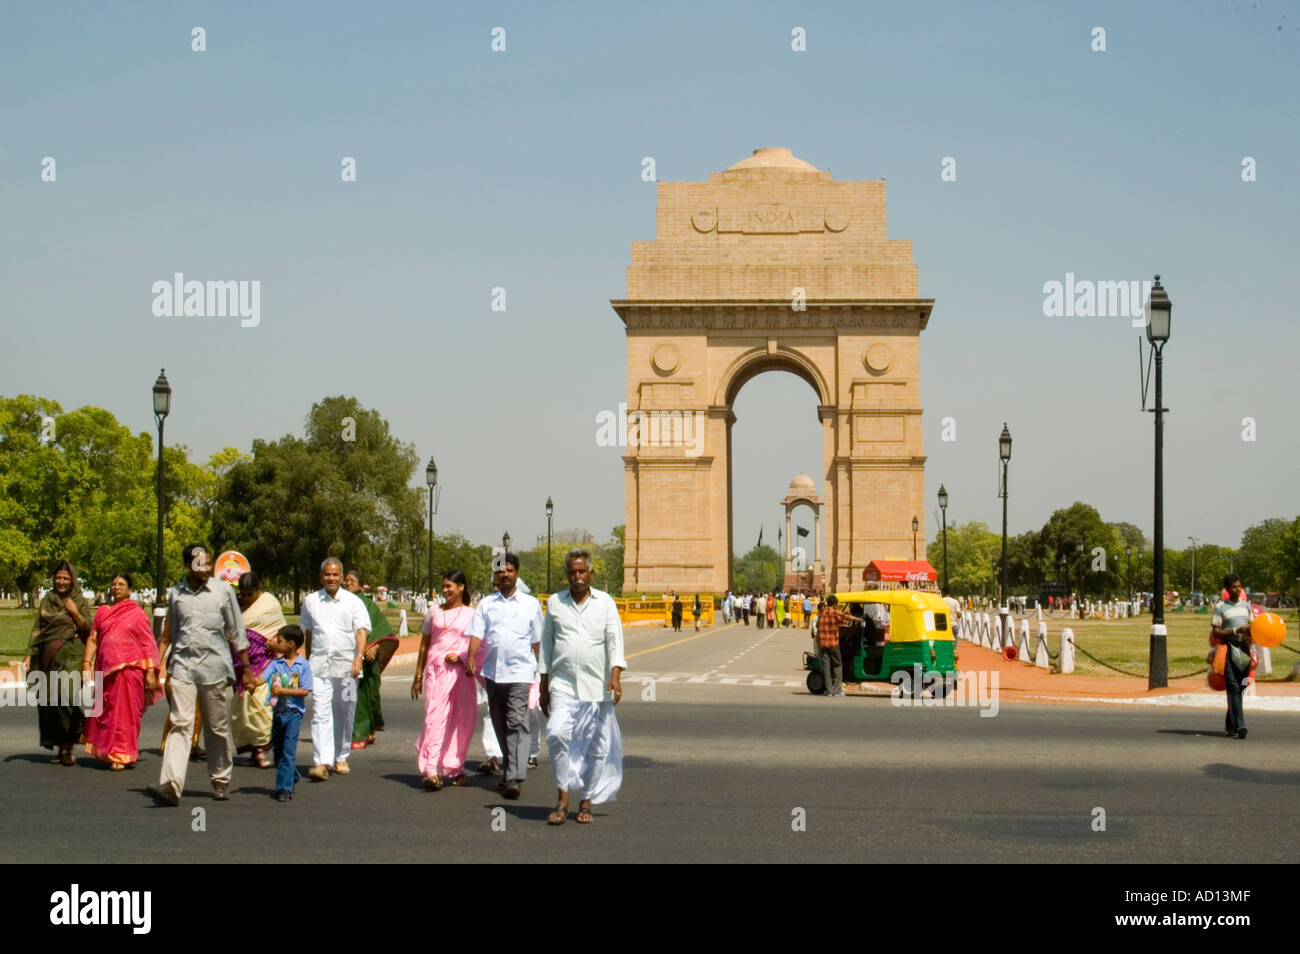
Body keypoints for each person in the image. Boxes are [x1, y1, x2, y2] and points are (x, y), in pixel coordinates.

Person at [150, 545, 257, 805]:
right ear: (188, 566)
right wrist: (160, 668)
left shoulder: (222, 592)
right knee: (180, 723)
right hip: (184, 667)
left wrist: (246, 670)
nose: (206, 568)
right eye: (201, 564)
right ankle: (171, 785)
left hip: (216, 668)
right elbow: (173, 634)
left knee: (216, 728)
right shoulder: (176, 594)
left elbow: (237, 631)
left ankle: (220, 780)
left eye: (208, 563)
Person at [541, 549, 626, 825]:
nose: (577, 577)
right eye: (572, 572)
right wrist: (543, 683)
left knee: (597, 747)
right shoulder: (555, 603)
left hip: (597, 684)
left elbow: (614, 640)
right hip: (562, 682)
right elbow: (547, 645)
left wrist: (615, 676)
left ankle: (586, 799)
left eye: (581, 572)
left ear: (591, 573)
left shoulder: (606, 603)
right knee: (556, 733)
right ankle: (562, 798)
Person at [465, 553, 542, 800]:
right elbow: (477, 634)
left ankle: (514, 778)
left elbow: (537, 640)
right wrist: (470, 657)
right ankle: (511, 769)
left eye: (509, 570)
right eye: (500, 571)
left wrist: (539, 670)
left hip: (520, 673)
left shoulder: (530, 605)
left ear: (516, 574)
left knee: (516, 721)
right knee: (499, 724)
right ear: (495, 575)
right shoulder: (487, 604)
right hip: (493, 674)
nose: (505, 574)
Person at [298, 558, 370, 780]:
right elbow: (309, 633)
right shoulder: (311, 601)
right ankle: (322, 761)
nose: (331, 578)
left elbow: (361, 631)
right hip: (319, 666)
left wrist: (359, 658)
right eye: (327, 575)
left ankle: (341, 756)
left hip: (349, 669)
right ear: (321, 577)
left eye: (335, 575)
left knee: (346, 711)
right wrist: (307, 661)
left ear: (341, 577)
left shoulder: (353, 602)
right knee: (320, 712)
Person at [81, 573, 161, 769]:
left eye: (121, 584)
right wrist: (86, 663)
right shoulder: (102, 612)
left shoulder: (137, 613)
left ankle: (122, 754)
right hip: (105, 670)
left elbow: (148, 643)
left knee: (125, 714)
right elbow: (93, 638)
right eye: (114, 584)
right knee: (106, 711)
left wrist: (151, 671)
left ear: (129, 590)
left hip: (129, 671)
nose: (116, 587)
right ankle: (107, 751)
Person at [412, 570, 480, 789]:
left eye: (449, 586)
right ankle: (431, 769)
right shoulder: (433, 612)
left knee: (462, 718)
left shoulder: (471, 614)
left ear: (461, 587)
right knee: (434, 717)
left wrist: (462, 657)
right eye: (443, 586)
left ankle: (453, 766)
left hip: (460, 673)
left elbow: (479, 646)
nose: (445, 590)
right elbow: (424, 644)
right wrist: (418, 674)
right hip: (436, 671)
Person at [25, 561, 91, 765]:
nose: (61, 582)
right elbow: (38, 629)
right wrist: (29, 654)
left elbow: (89, 631)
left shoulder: (80, 600)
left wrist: (75, 613)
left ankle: (74, 738)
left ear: (72, 580)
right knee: (50, 700)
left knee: (66, 695)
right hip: (48, 655)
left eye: (65, 578)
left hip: (73, 652)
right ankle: (63, 746)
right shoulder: (47, 600)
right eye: (58, 578)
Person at [233, 571, 284, 768]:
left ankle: (262, 749)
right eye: (243, 594)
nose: (245, 598)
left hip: (264, 662)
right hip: (241, 664)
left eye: (249, 594)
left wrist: (274, 640)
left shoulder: (269, 604)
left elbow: (280, 630)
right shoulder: (235, 606)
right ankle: (255, 752)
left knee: (259, 707)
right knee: (241, 711)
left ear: (258, 590)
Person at [344, 570, 400, 749]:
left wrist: (375, 646)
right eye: (346, 581)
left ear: (361, 585)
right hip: (347, 656)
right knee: (350, 694)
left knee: (367, 694)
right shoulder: (340, 603)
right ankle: (356, 732)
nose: (348, 583)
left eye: (352, 581)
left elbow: (380, 628)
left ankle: (365, 731)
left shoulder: (368, 605)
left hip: (367, 658)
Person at [264, 625, 312, 802]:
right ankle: (292, 775)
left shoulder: (303, 665)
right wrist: (251, 682)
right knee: (278, 753)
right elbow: (262, 678)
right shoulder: (276, 663)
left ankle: (284, 789)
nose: (276, 643)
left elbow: (305, 690)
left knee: (288, 752)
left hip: (294, 713)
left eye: (280, 641)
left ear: (291, 644)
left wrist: (283, 691)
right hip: (278, 713)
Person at [1212, 574, 1254, 740]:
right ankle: (1240, 725)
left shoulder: (1246, 606)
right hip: (1229, 649)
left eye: (1239, 586)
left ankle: (1230, 724)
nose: (1238, 589)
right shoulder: (1221, 607)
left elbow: (1253, 626)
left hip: (1243, 650)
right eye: (1234, 587)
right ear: (1228, 589)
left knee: (1241, 688)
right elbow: (1216, 630)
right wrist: (1235, 631)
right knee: (1233, 687)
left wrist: (1250, 632)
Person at [815, 595, 853, 697]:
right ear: (835, 604)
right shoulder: (835, 612)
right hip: (833, 644)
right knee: (838, 666)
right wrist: (859, 619)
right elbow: (847, 619)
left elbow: (818, 628)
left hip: (823, 644)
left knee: (826, 667)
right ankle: (837, 691)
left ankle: (828, 690)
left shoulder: (821, 614)